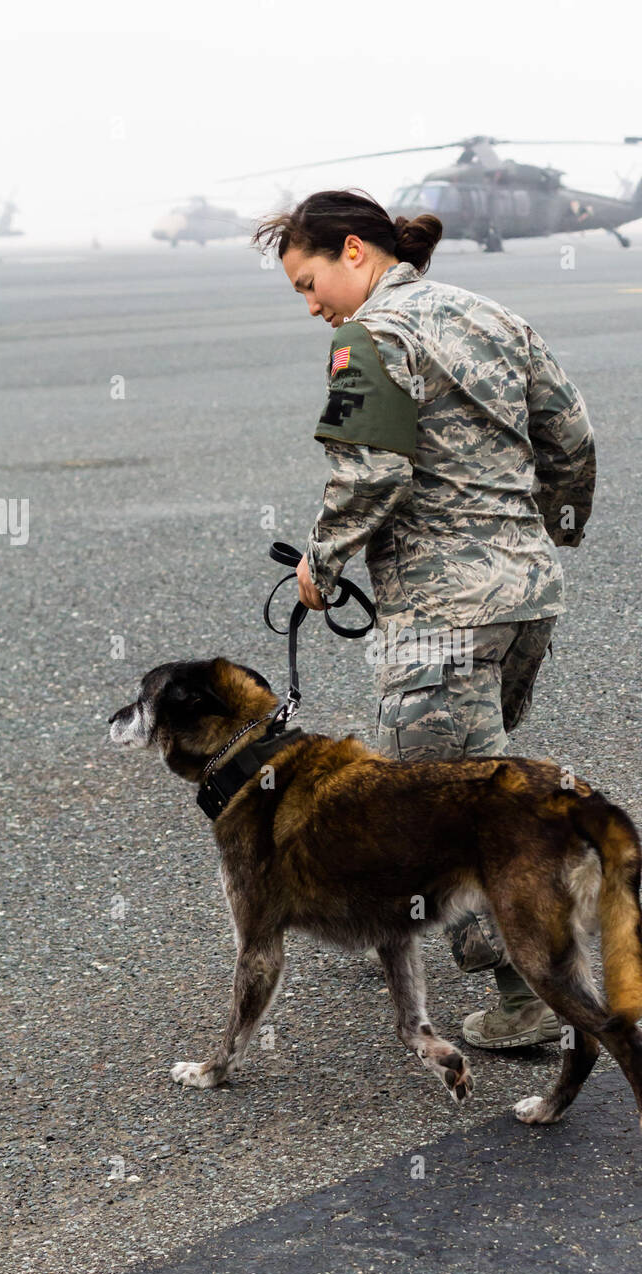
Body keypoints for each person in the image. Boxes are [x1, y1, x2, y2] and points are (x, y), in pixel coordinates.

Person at [253, 189, 596, 1049]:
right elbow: (572, 438)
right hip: (525, 600)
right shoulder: (491, 315)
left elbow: (370, 472)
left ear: (356, 252)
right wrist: (548, 530)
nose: (310, 305)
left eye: (308, 281)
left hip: (442, 617)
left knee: (455, 818)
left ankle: (531, 1000)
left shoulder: (370, 337)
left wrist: (320, 564)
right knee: (482, 786)